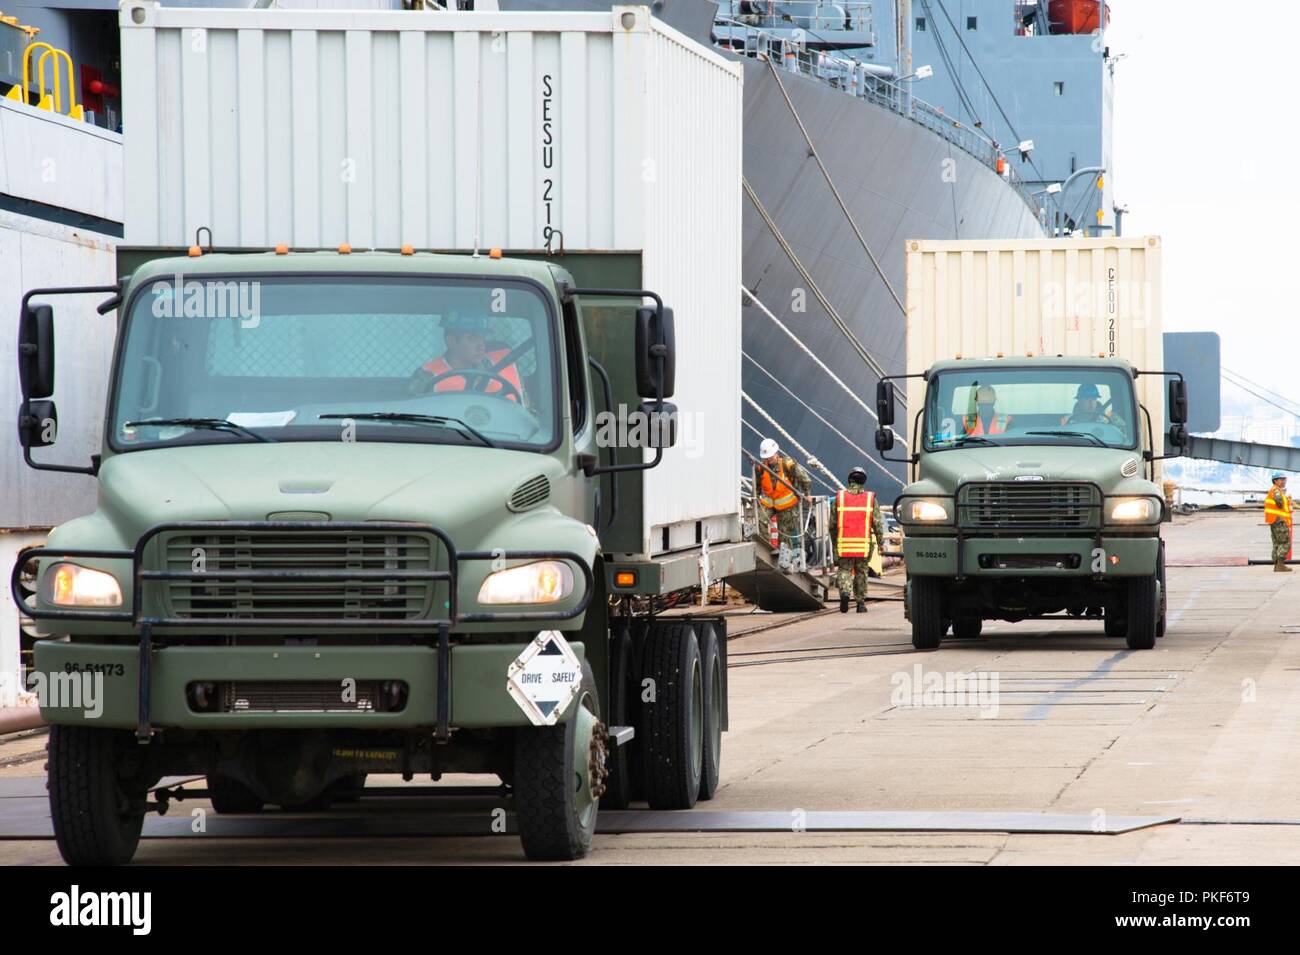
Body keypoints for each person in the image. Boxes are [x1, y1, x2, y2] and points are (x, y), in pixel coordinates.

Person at [410, 313, 524, 402]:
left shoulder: (502, 363)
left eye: (483, 337)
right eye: (472, 338)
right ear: (451, 341)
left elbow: (528, 413)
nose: (482, 345)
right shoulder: (426, 376)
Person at [829, 466, 884, 613]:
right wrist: (880, 543)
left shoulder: (840, 498)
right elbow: (877, 524)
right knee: (861, 572)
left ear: (849, 480)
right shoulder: (870, 499)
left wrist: (835, 543)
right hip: (863, 545)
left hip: (844, 544)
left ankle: (845, 593)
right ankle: (860, 604)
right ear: (864, 481)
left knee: (845, 570)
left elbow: (832, 525)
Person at [754, 438, 811, 571]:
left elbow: (805, 479)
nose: (769, 459)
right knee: (761, 520)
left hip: (787, 504)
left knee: (784, 533)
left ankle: (785, 562)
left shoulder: (788, 465)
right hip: (769, 503)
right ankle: (766, 548)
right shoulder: (760, 468)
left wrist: (807, 494)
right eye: (767, 457)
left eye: (771, 456)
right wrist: (755, 497)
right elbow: (757, 485)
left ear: (776, 453)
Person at [1264, 472, 1294, 572]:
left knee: (1277, 542)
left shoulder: (1275, 490)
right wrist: (1286, 498)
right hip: (1279, 520)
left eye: (1284, 479)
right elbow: (1280, 502)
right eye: (1281, 479)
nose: (1284, 481)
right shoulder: (1276, 490)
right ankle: (1280, 564)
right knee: (1285, 542)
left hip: (1274, 520)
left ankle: (1277, 565)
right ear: (1275, 481)